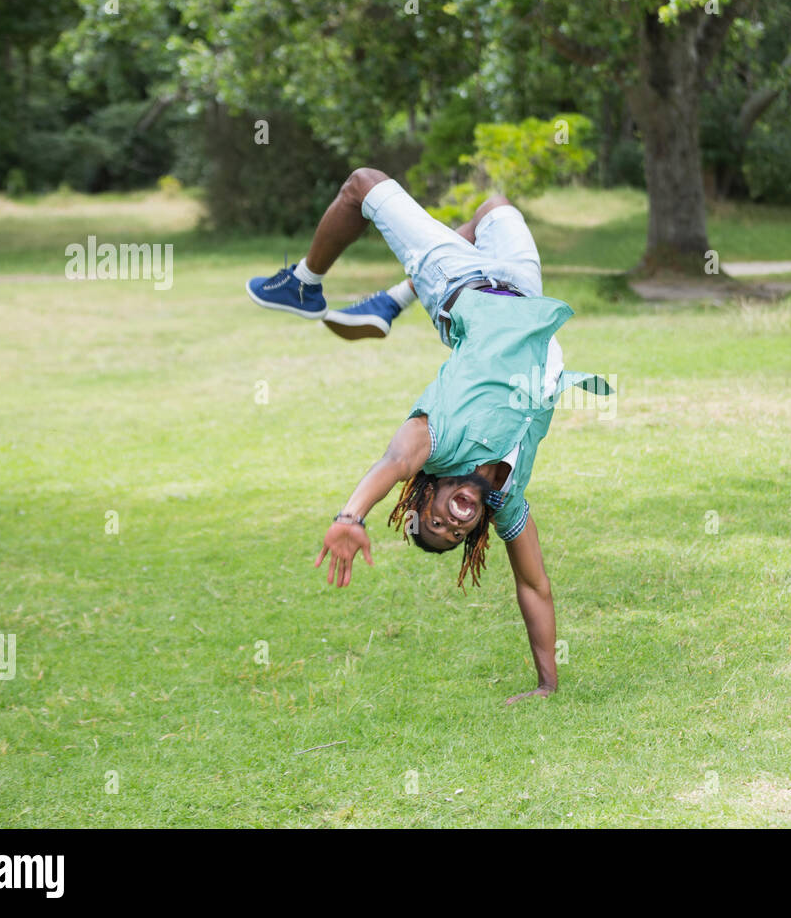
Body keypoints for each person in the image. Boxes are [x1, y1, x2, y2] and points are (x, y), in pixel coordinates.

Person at [246, 168, 611, 703]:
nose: (455, 520)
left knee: (363, 184)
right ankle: (390, 300)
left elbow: (393, 460)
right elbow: (534, 586)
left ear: (425, 490)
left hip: (455, 279)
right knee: (495, 206)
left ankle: (305, 282)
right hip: (522, 288)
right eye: (457, 532)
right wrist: (547, 685)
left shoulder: (439, 441)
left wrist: (351, 516)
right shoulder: (506, 500)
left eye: (437, 518)